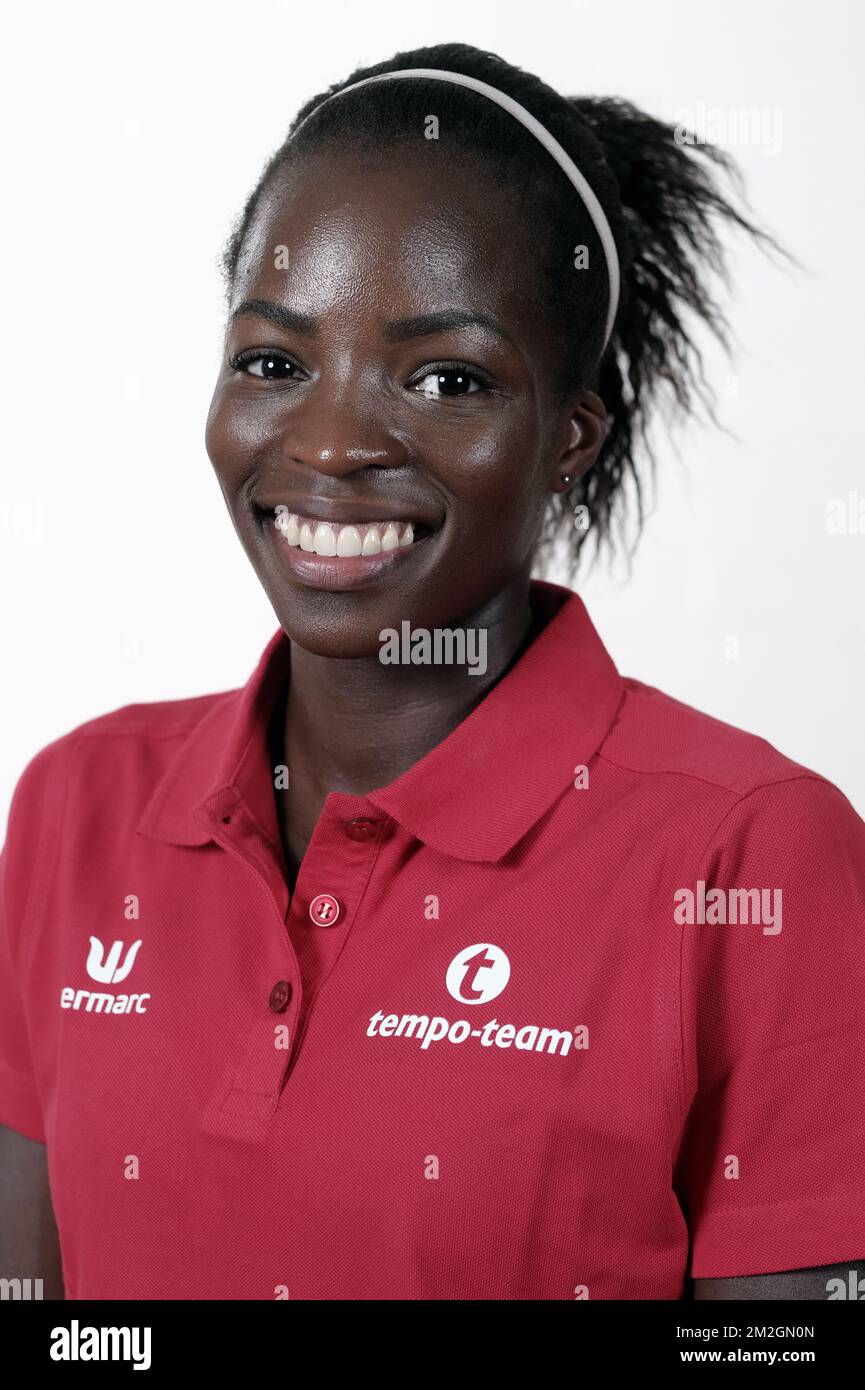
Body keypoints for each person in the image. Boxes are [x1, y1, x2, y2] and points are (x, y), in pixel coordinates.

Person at [1, 42, 863, 1302]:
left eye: (445, 377)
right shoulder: (76, 807)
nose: (333, 442)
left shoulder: (749, 855)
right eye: (273, 362)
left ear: (568, 439)